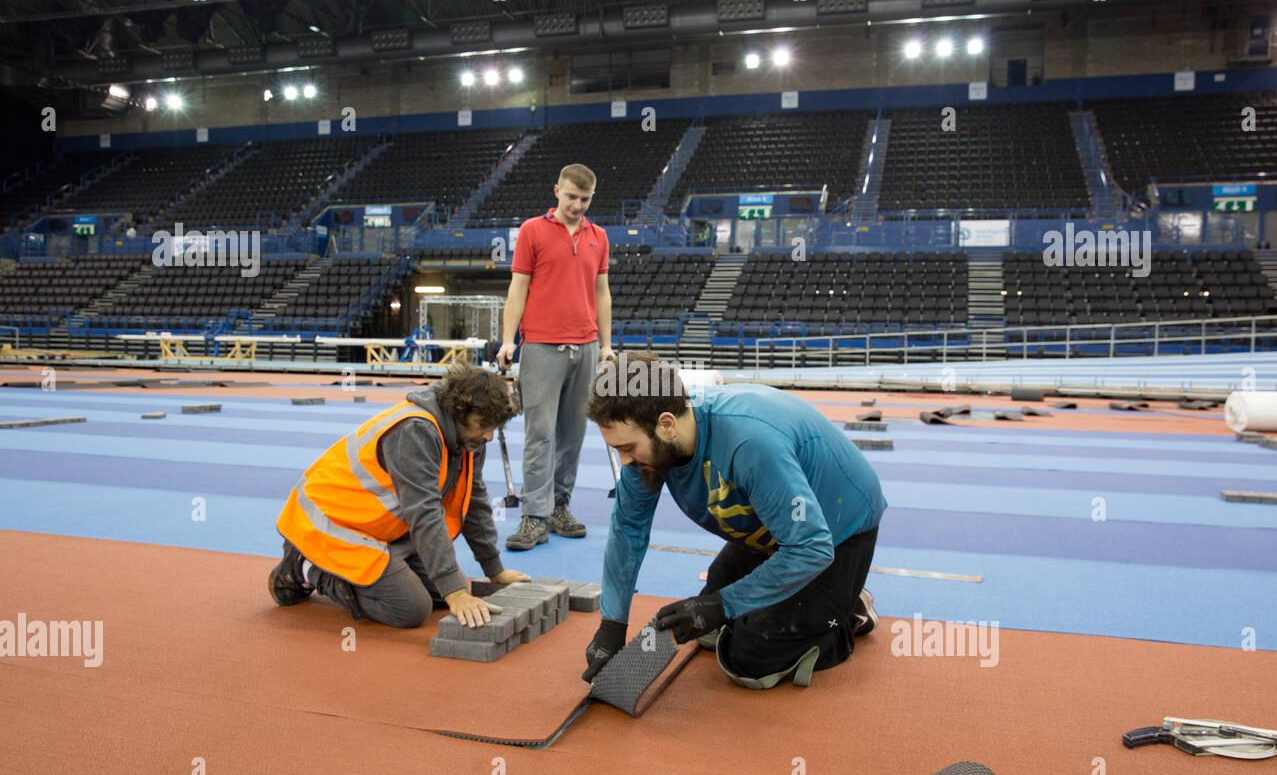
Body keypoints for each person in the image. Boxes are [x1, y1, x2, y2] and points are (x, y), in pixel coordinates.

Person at [582, 351, 888, 689]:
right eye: (615, 450)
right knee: (707, 628)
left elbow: (810, 547)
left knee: (750, 657)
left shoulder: (749, 442)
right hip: (773, 530)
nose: (623, 461)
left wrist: (724, 604)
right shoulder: (646, 453)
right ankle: (812, 599)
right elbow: (628, 531)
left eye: (627, 447)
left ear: (666, 424)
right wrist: (611, 626)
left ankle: (847, 608)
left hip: (835, 531)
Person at [268, 364, 531, 628]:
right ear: (458, 412)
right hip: (331, 524)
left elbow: (473, 500)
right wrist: (456, 595)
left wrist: (494, 570)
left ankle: (379, 569)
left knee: (452, 588)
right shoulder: (415, 430)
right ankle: (304, 566)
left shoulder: (469, 439)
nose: (488, 436)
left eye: (494, 428)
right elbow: (424, 512)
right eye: (483, 425)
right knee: (410, 608)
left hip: (376, 528)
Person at [496, 163, 616, 550]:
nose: (577, 205)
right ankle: (533, 515)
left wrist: (607, 344)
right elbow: (518, 288)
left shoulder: (599, 236)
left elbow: (602, 293)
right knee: (540, 434)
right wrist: (507, 340)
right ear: (556, 191)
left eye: (584, 199)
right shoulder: (532, 231)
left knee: (573, 436)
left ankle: (559, 506)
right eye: (571, 197)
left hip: (586, 347)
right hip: (542, 346)